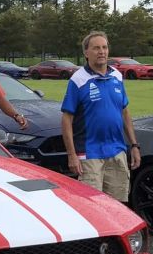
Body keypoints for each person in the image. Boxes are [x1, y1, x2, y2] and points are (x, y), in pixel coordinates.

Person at [60, 30, 140, 202]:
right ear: (86, 53)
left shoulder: (117, 76)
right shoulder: (78, 80)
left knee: (118, 206)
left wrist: (134, 145)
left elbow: (124, 112)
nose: (101, 52)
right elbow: (67, 119)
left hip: (117, 152)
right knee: (92, 206)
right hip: (90, 155)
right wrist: (71, 155)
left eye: (104, 47)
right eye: (96, 48)